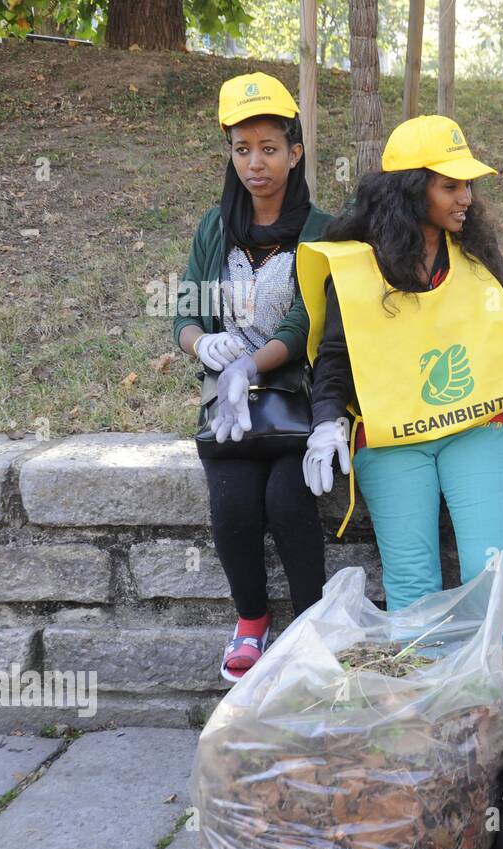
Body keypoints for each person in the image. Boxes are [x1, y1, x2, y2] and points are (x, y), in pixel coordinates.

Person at [298, 115, 503, 679]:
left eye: (468, 185)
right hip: (394, 438)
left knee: (489, 570)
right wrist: (326, 422)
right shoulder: (353, 266)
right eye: (451, 185)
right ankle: (427, 716)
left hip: (476, 427)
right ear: (410, 188)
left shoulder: (470, 253)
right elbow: (333, 359)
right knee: (411, 580)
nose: (466, 197)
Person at [173, 72, 331, 682]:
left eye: (269, 148)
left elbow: (303, 323)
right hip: (228, 405)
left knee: (287, 500)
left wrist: (249, 362)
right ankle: (251, 620)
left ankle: (313, 624)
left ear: (294, 153)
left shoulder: (321, 229)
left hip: (298, 400)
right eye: (242, 149)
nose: (255, 163)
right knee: (234, 503)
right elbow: (185, 311)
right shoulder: (214, 228)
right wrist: (205, 345)